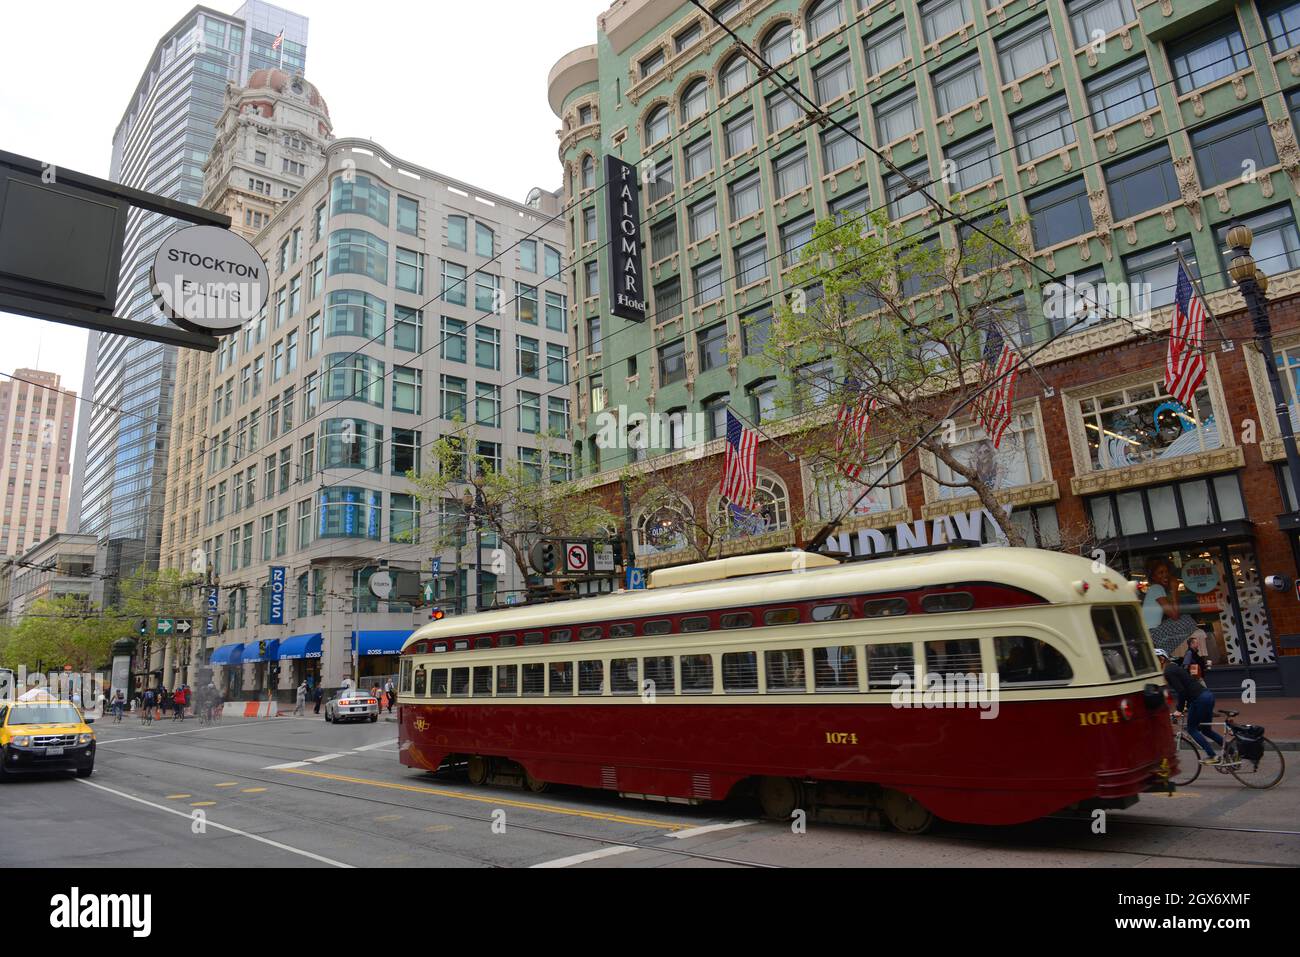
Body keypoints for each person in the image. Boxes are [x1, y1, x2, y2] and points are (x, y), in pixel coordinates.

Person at [1159, 648, 1224, 764]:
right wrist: (1186, 706)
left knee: (1191, 729)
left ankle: (1212, 755)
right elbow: (1187, 687)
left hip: (1199, 699)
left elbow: (1182, 691)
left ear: (1162, 659)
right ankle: (1232, 751)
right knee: (1206, 730)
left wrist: (1179, 710)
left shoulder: (1168, 671)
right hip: (1207, 695)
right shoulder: (1174, 667)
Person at [1142, 557, 1205, 658]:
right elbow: (1175, 615)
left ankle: (1163, 654)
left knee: (1186, 620)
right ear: (1153, 577)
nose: (1165, 575)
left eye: (1166, 572)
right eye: (1160, 573)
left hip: (1151, 634)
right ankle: (1162, 653)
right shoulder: (1156, 588)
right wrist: (1174, 589)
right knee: (1187, 620)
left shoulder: (1157, 589)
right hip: (1151, 634)